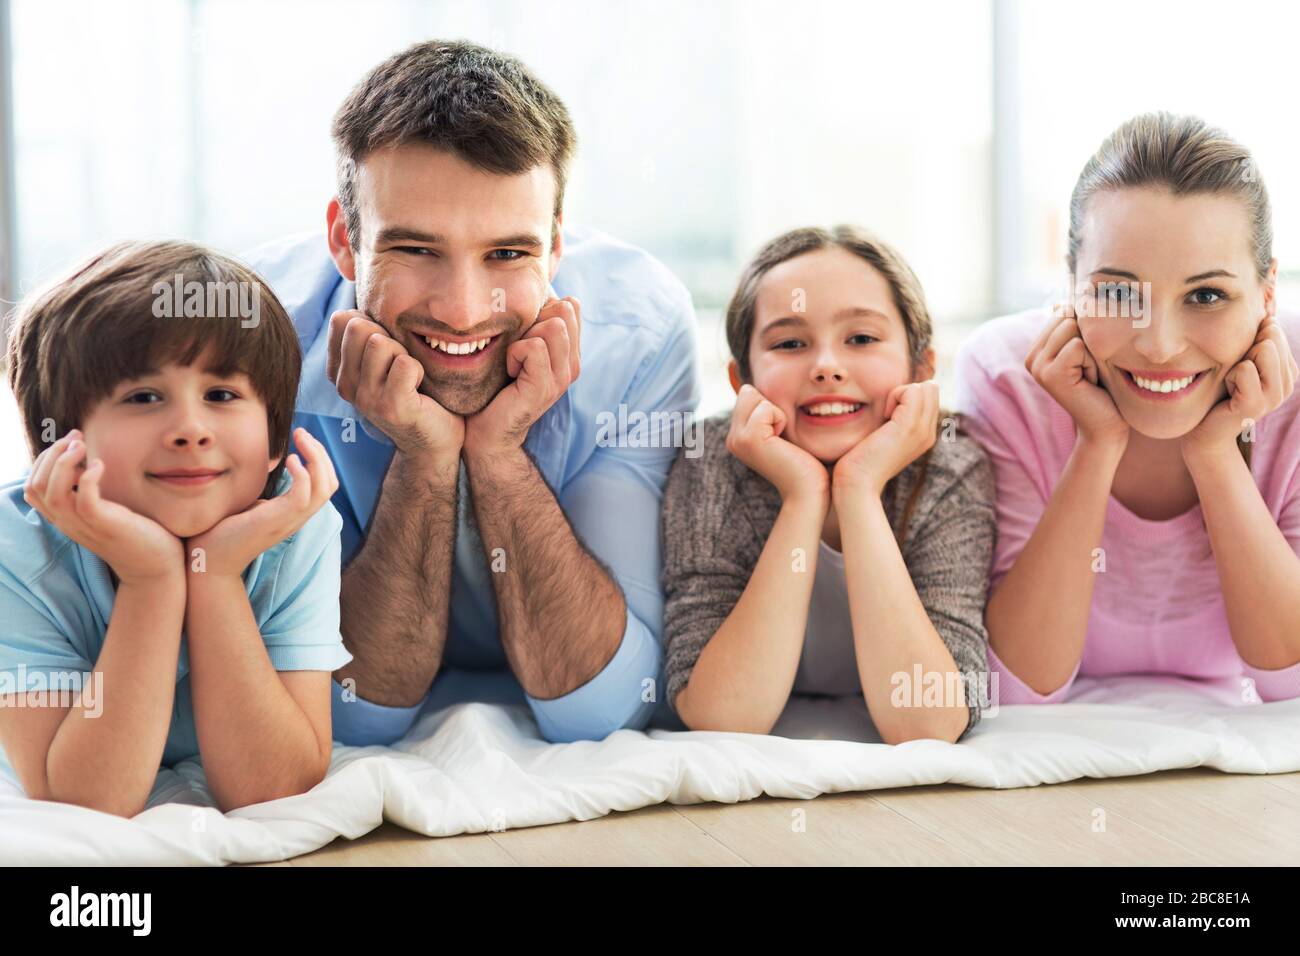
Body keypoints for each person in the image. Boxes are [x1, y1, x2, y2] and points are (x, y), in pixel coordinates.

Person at [244, 40, 698, 744]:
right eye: (416, 250)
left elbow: (605, 707)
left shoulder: (638, 335)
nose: (463, 310)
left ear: (554, 247)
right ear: (344, 240)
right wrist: (425, 459)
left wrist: (498, 451)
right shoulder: (257, 342)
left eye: (508, 254)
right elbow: (351, 713)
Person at [954, 112, 1300, 704]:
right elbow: (1019, 690)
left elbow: (1291, 684)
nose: (1159, 345)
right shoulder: (1007, 374)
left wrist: (1214, 453)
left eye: (1206, 295)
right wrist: (1097, 442)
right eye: (1118, 293)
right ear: (1070, 285)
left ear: (1267, 292)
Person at [0, 240, 348, 816]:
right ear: (60, 439)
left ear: (273, 441)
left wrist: (216, 576)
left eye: (221, 394)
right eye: (143, 396)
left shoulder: (297, 528)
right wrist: (152, 581)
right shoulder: (18, 546)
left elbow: (274, 787)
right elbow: (84, 801)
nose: (190, 428)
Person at [661, 226, 995, 742]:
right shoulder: (709, 465)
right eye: (790, 343)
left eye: (861, 338)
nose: (826, 367)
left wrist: (859, 489)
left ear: (921, 367)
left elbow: (927, 723)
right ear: (741, 382)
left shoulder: (951, 469)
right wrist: (803, 496)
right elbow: (723, 718)